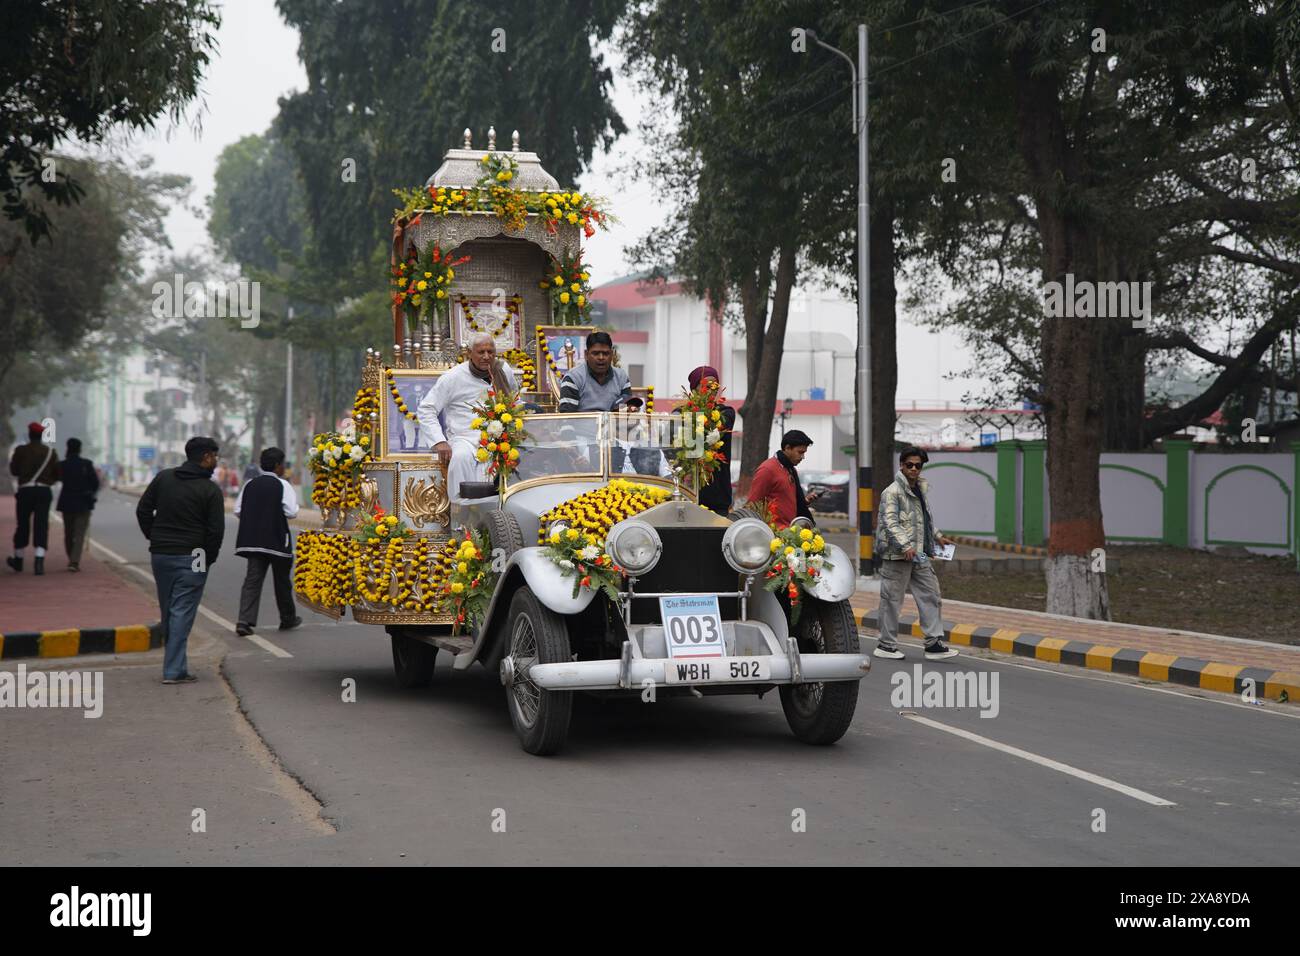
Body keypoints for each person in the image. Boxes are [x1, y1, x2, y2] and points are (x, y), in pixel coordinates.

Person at [136, 436, 225, 684]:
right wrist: (208, 558)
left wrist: (153, 536)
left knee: (169, 609)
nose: (216, 461)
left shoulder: (164, 478)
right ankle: (174, 670)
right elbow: (215, 532)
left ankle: (178, 665)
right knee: (182, 611)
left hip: (161, 554)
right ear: (206, 457)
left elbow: (143, 509)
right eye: (215, 456)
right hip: (194, 556)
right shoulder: (210, 490)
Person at [874, 446, 959, 661]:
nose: (913, 469)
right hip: (897, 555)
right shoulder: (892, 492)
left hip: (919, 554)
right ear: (901, 465)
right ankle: (886, 645)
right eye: (909, 465)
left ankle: (933, 644)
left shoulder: (919, 489)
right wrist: (905, 546)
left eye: (918, 465)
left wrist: (938, 536)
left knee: (931, 594)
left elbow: (923, 521)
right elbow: (890, 522)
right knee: (891, 600)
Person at [417, 331, 517, 501]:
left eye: (490, 352)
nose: (486, 356)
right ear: (469, 353)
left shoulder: (503, 370)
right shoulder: (452, 377)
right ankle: (461, 516)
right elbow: (426, 409)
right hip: (464, 438)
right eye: (481, 352)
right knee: (460, 458)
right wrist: (439, 441)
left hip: (499, 437)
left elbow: (515, 400)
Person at [234, 447, 301, 637]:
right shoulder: (282, 485)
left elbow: (238, 510)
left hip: (253, 540)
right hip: (277, 540)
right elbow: (291, 512)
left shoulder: (250, 484)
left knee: (252, 580)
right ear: (279, 466)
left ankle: (243, 621)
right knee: (282, 581)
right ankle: (287, 618)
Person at [7, 422, 59, 575]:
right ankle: (39, 562)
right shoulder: (50, 452)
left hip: (26, 491)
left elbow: (14, 470)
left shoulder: (21, 450)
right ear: (42, 435)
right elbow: (57, 474)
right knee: (41, 524)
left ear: (29, 435)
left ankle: (18, 560)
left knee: (22, 524)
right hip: (44, 491)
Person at [745, 429, 822, 527]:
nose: (803, 457)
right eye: (800, 452)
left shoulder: (790, 469)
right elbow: (752, 506)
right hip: (774, 535)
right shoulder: (767, 469)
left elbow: (784, 500)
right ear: (787, 448)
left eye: (804, 453)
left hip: (790, 532)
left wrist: (804, 501)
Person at [686, 365, 736, 516]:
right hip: (688, 495)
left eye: (715, 385)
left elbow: (715, 429)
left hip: (717, 496)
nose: (711, 390)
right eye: (705, 386)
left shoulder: (726, 413)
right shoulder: (681, 413)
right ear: (694, 389)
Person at [558, 331, 632, 412]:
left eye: (605, 353)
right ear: (586, 354)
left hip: (613, 424)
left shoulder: (621, 377)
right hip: (581, 424)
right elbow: (567, 418)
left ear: (611, 354)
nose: (601, 357)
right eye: (595, 353)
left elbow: (625, 417)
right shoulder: (573, 378)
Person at [55, 437, 100, 572]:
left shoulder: (62, 465)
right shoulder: (86, 464)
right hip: (83, 503)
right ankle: (74, 562)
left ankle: (71, 558)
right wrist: (89, 492)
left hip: (67, 503)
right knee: (79, 534)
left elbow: (56, 478)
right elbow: (95, 483)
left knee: (68, 533)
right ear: (80, 449)